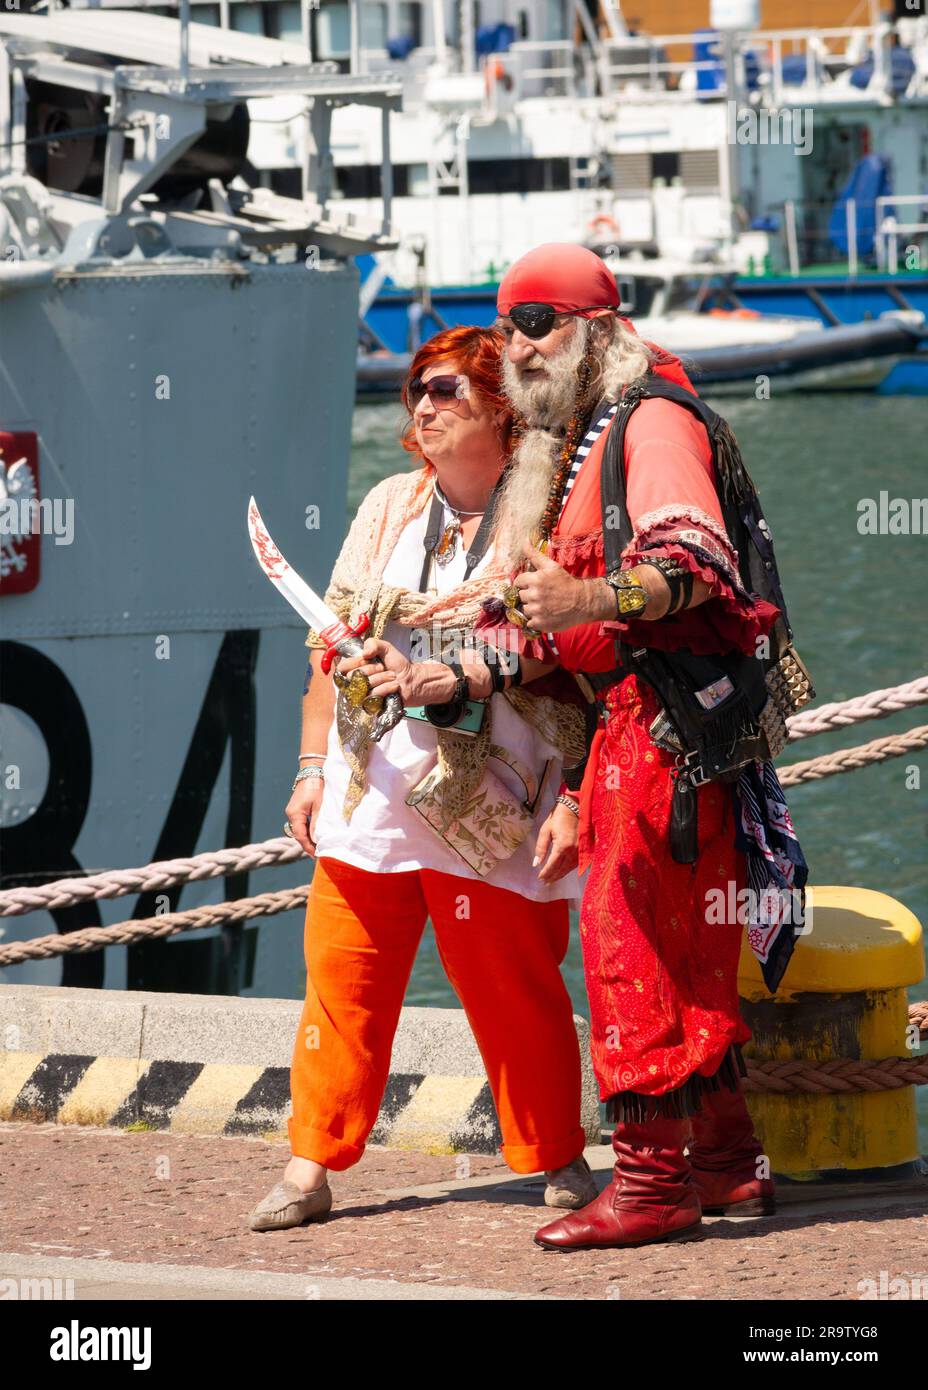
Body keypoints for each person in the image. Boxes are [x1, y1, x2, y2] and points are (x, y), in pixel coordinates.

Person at [475, 243, 808, 1250]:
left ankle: (654, 1185)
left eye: (541, 320)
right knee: (678, 945)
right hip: (631, 731)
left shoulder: (649, 422)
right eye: (506, 323)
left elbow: (692, 563)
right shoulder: (573, 436)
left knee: (632, 949)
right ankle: (726, 1164)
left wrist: (581, 597)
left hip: (659, 731)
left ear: (599, 327)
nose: (518, 343)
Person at [248, 325, 598, 1233]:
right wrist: (310, 768)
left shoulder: (549, 518)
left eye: (446, 389)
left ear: (502, 407)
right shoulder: (391, 506)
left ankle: (558, 1155)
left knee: (515, 985)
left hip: (495, 801)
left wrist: (574, 798)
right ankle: (310, 1162)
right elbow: (327, 645)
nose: (425, 405)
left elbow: (591, 669)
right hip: (374, 791)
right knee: (342, 979)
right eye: (417, 390)